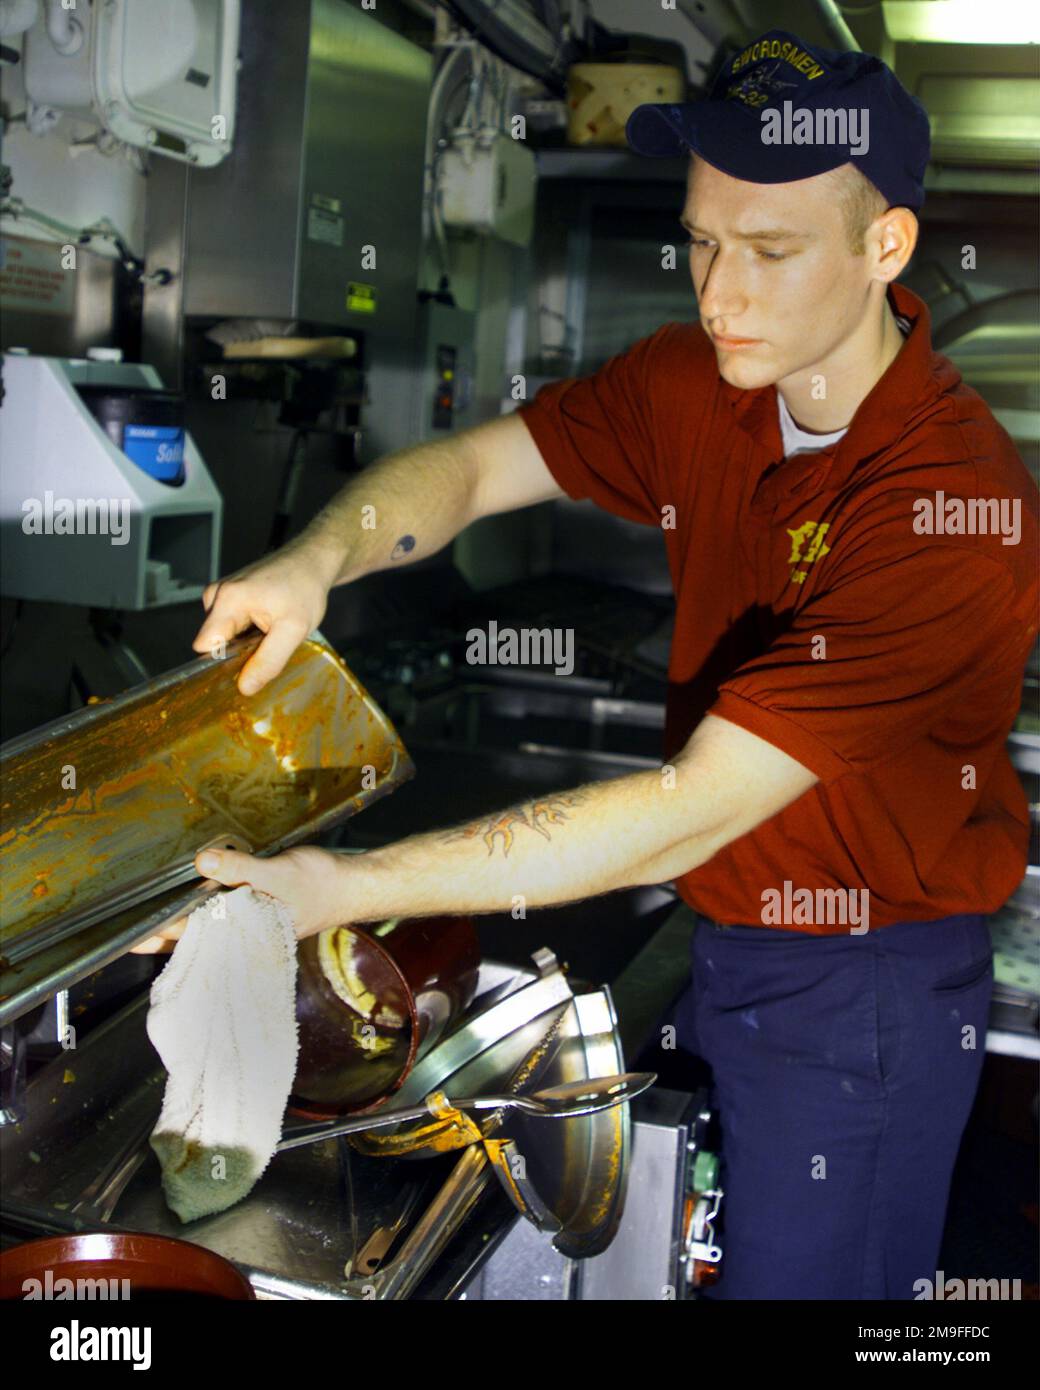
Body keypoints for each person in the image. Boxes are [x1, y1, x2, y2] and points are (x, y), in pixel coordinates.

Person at [135, 31, 1038, 1299]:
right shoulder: (696, 380)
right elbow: (474, 469)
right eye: (703, 241)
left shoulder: (954, 512)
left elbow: (681, 815)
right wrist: (316, 559)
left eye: (769, 252)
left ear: (883, 246)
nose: (718, 292)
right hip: (728, 920)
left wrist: (334, 886)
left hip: (864, 985)